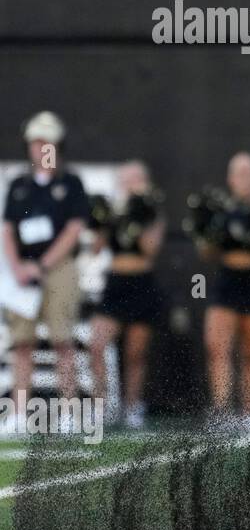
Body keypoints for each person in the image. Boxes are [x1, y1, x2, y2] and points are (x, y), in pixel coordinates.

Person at [1, 112, 90, 426]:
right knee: (21, 342)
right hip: (23, 272)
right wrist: (18, 267)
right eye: (35, 143)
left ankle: (69, 412)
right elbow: (8, 230)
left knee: (62, 340)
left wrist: (42, 264)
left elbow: (74, 230)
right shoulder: (19, 185)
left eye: (45, 143)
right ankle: (19, 412)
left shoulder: (71, 183)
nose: (39, 149)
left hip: (58, 268)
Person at [186, 153, 250, 431]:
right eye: (238, 173)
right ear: (229, 179)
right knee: (217, 348)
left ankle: (249, 414)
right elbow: (205, 253)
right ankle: (222, 411)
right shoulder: (219, 210)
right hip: (226, 280)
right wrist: (212, 230)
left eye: (249, 173)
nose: (244, 178)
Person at [87, 162, 166, 429]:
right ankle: (102, 405)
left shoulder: (151, 210)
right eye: (127, 180)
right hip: (115, 283)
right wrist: (98, 220)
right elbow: (96, 249)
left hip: (142, 282)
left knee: (135, 353)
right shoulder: (113, 211)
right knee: (96, 345)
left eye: (136, 179)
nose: (131, 184)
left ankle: (133, 406)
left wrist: (140, 213)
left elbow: (150, 249)